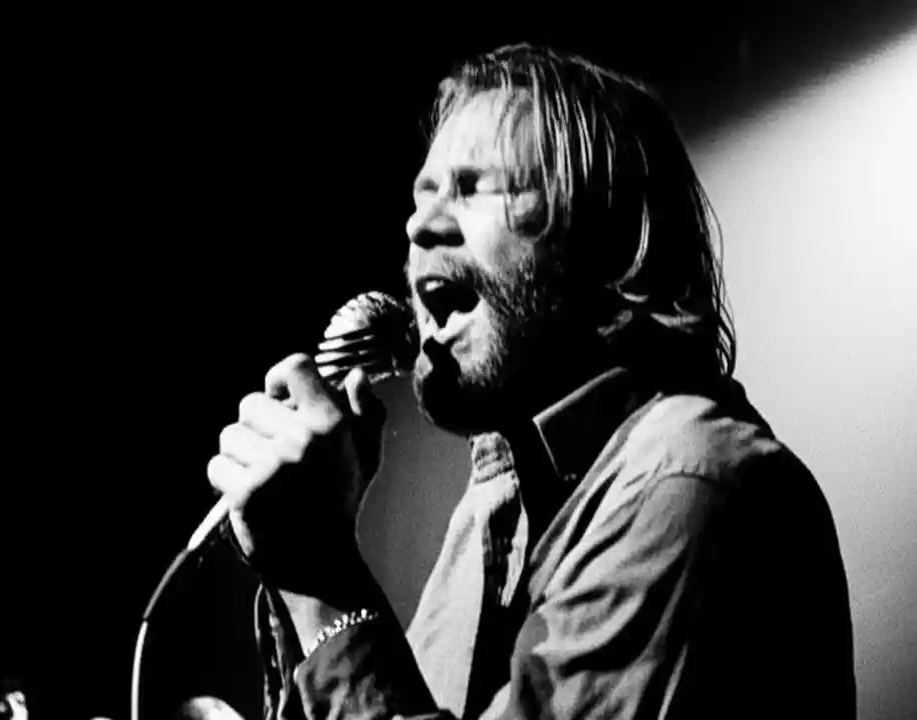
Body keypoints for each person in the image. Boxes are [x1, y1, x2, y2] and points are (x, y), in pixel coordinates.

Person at [207, 43, 856, 718]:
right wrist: (301, 570)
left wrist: (323, 579)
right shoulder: (492, 512)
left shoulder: (683, 484)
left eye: (475, 186)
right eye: (423, 195)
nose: (419, 225)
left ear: (608, 238)